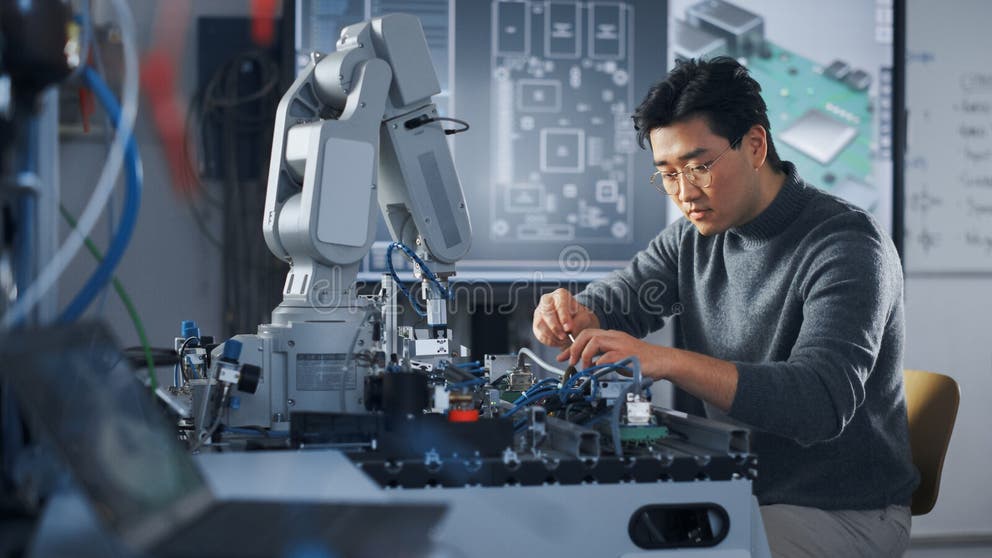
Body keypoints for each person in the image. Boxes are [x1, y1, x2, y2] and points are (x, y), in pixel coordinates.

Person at [532, 57, 918, 557]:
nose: (684, 193)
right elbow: (623, 299)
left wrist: (667, 362)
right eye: (667, 174)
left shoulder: (846, 245)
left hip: (841, 509)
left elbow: (820, 403)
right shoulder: (695, 238)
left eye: (699, 167)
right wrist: (576, 312)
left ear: (755, 145)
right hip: (731, 489)